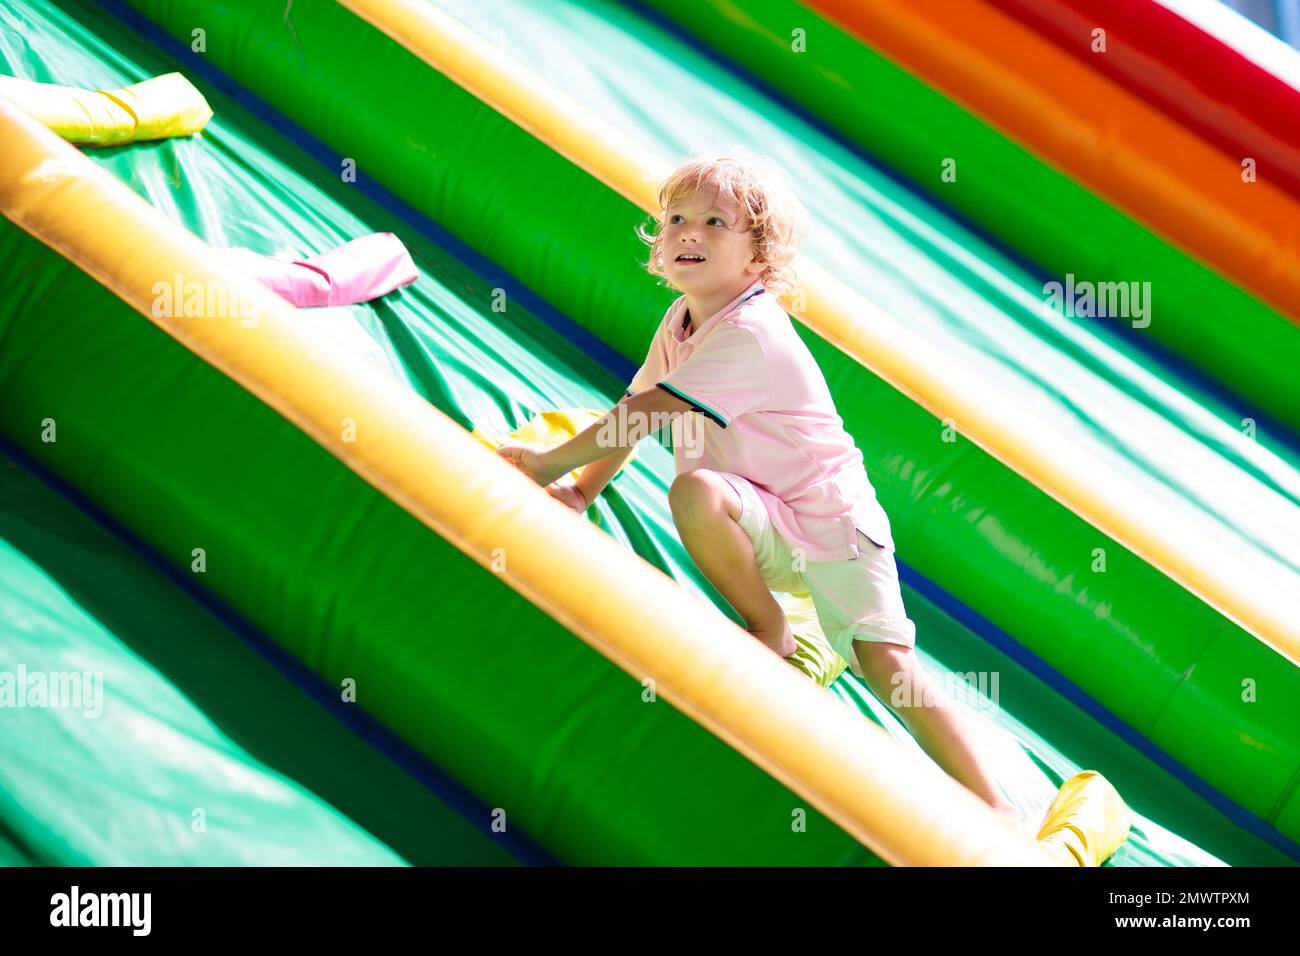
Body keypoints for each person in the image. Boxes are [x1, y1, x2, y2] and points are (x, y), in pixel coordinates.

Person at [498, 152, 1025, 827]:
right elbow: (636, 402)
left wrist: (546, 468)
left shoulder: (749, 332)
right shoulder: (684, 321)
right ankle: (768, 624)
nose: (689, 233)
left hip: (838, 530)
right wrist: (580, 492)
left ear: (758, 260)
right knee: (694, 492)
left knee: (887, 664)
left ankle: (993, 805)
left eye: (716, 222)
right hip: (765, 514)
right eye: (677, 219)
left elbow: (652, 413)